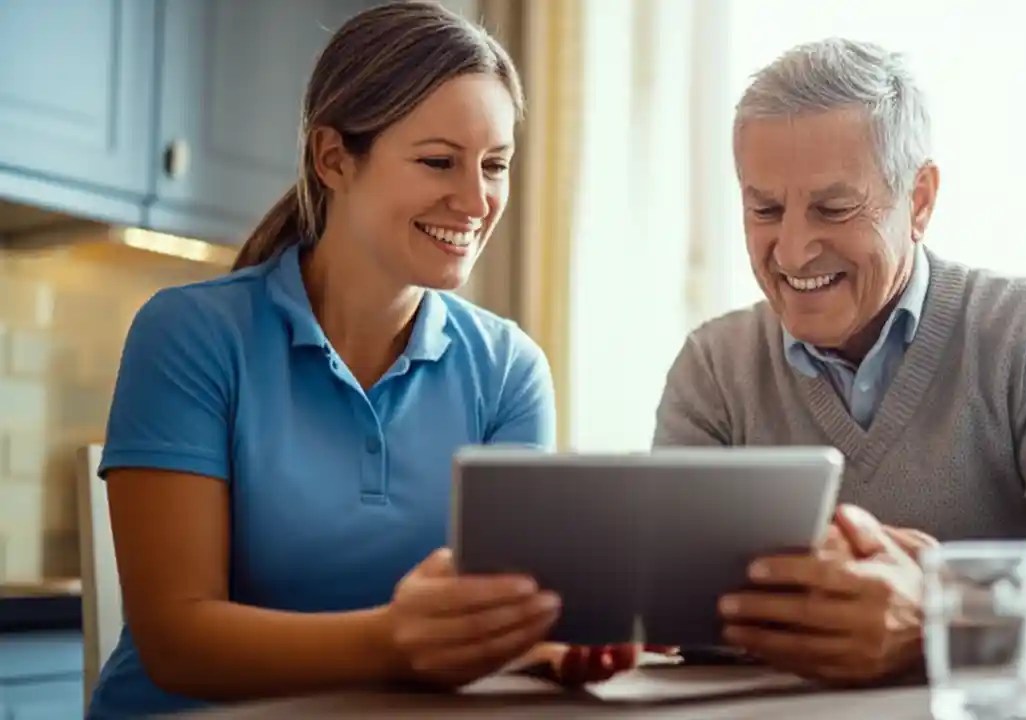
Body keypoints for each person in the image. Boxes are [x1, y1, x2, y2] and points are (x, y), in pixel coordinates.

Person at [92, 3, 638, 717]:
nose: (476, 200)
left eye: (495, 165)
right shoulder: (191, 335)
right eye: (439, 161)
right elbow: (177, 641)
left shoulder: (509, 370)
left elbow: (497, 613)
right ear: (332, 157)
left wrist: (548, 644)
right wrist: (393, 641)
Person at [653, 37, 1026, 683]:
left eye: (834, 208)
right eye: (764, 209)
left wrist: (945, 612)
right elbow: (666, 603)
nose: (793, 252)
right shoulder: (715, 368)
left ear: (920, 200)